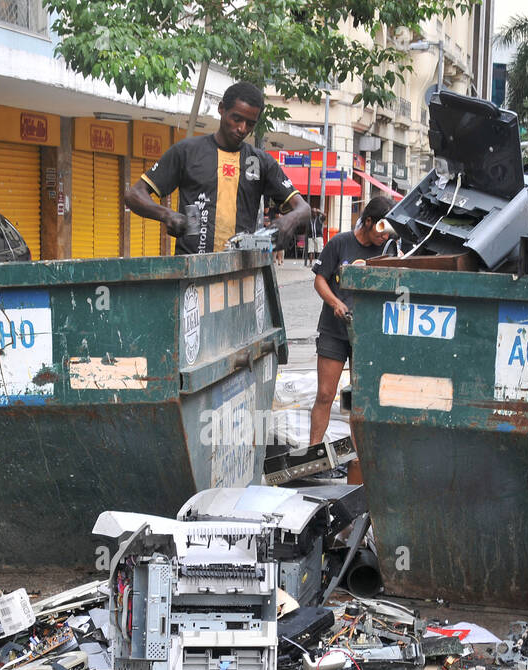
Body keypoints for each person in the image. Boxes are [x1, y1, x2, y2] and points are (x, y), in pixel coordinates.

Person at [124, 81, 310, 254]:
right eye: (236, 119)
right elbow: (134, 195)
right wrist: (167, 214)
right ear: (221, 109)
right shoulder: (187, 152)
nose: (242, 129)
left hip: (239, 273)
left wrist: (289, 220)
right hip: (193, 273)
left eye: (250, 124)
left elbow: (303, 208)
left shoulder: (261, 162)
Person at [309, 195, 395, 446]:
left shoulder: (389, 250)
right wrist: (336, 303)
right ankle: (314, 453)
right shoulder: (340, 243)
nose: (385, 237)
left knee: (359, 399)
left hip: (368, 334)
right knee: (325, 394)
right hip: (334, 331)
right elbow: (319, 280)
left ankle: (360, 460)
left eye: (389, 233)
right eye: (382, 231)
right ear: (368, 222)